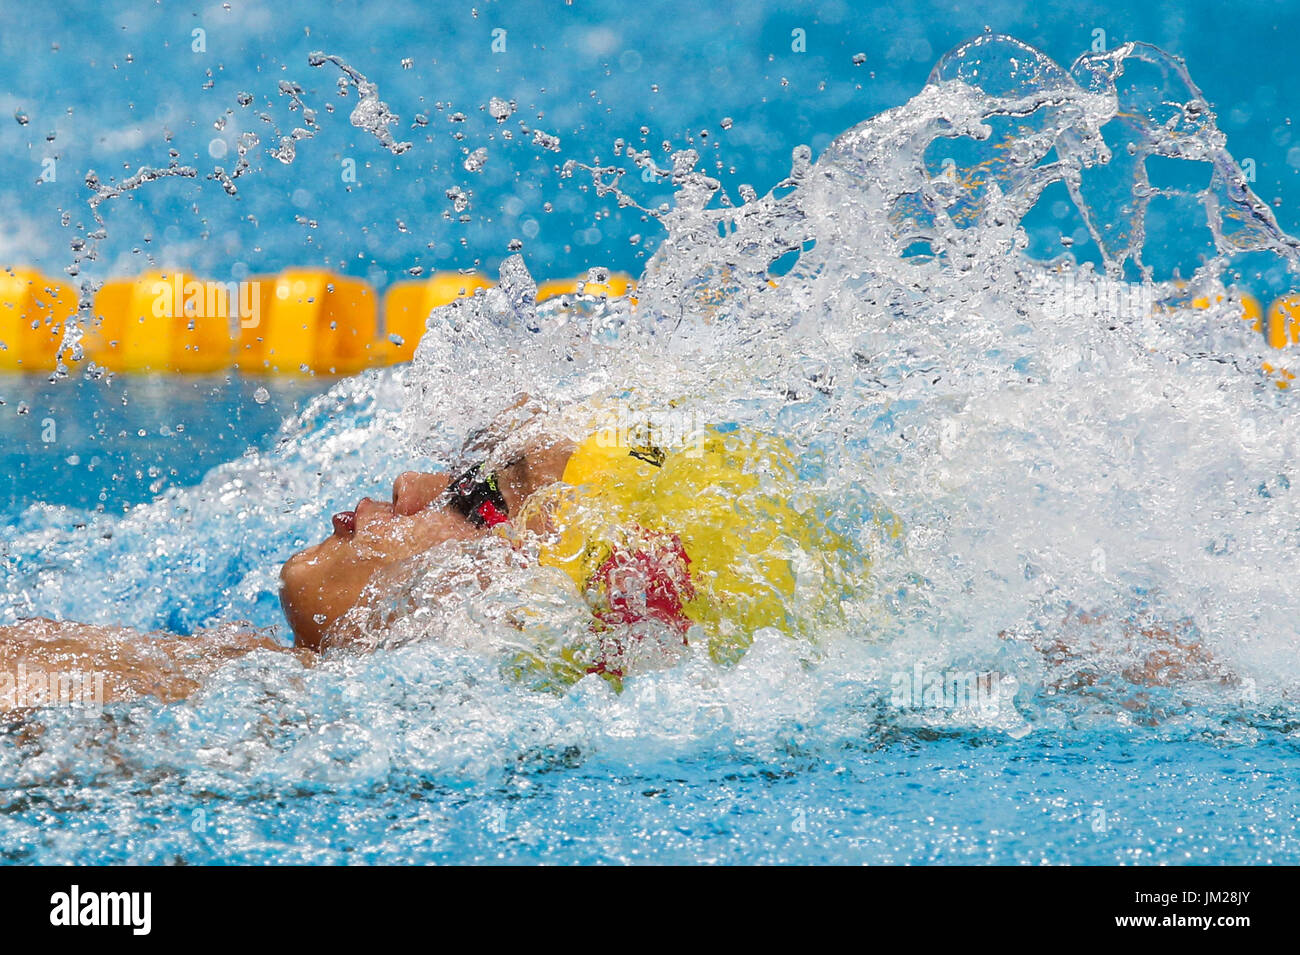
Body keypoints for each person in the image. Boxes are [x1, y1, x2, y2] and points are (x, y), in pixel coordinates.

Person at [0, 398, 851, 707]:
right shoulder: (250, 673)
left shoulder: (280, 729)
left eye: (477, 493)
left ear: (520, 608)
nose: (411, 480)